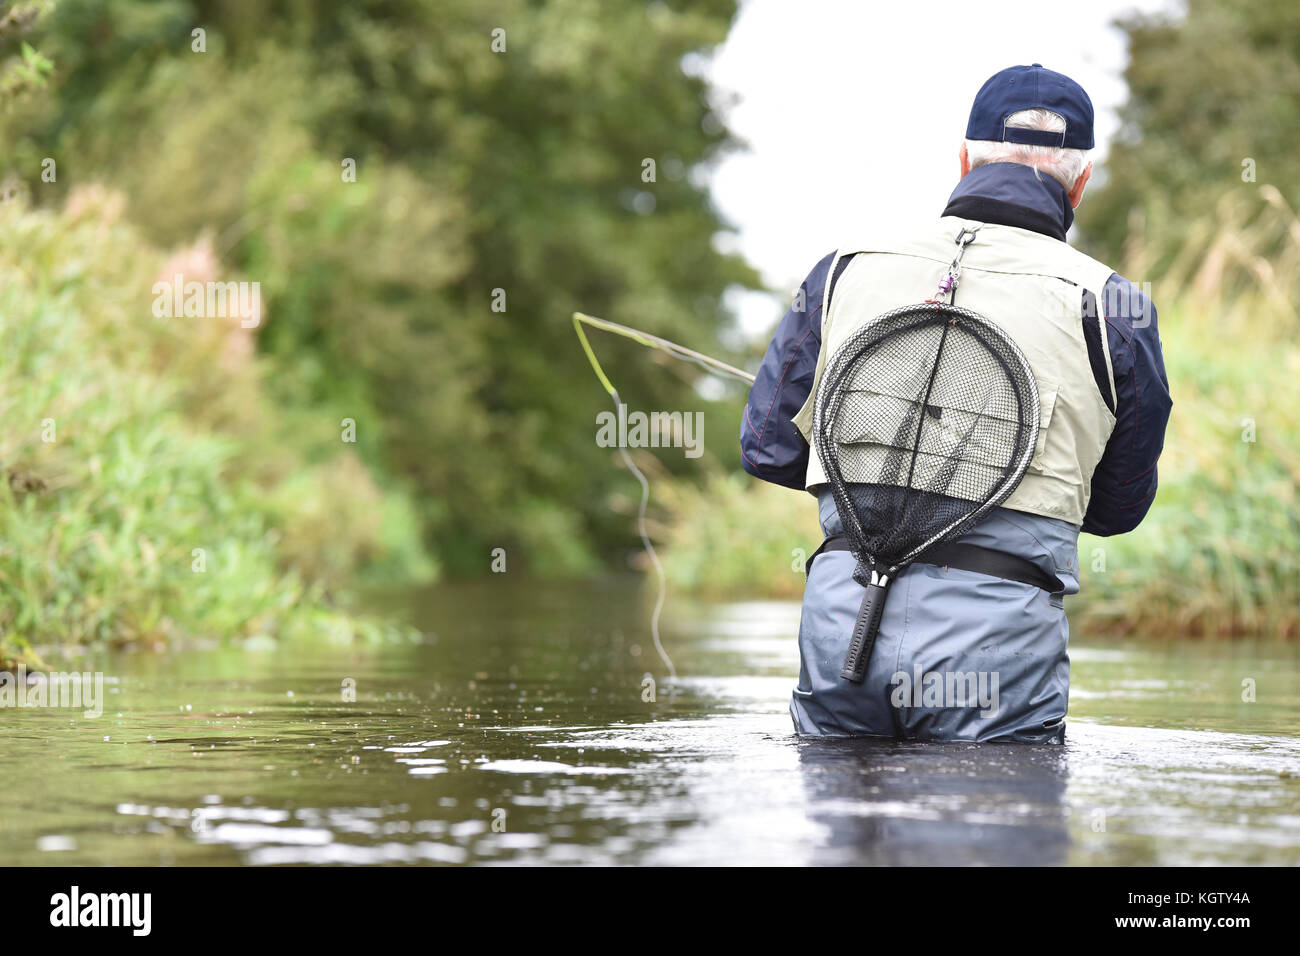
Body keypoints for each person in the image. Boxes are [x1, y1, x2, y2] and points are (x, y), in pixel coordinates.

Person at [740, 64, 1172, 743]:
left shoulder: (842, 268)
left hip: (841, 619)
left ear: (964, 159)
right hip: (998, 643)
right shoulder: (1114, 306)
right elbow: (1117, 510)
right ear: (1080, 183)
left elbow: (766, 450)